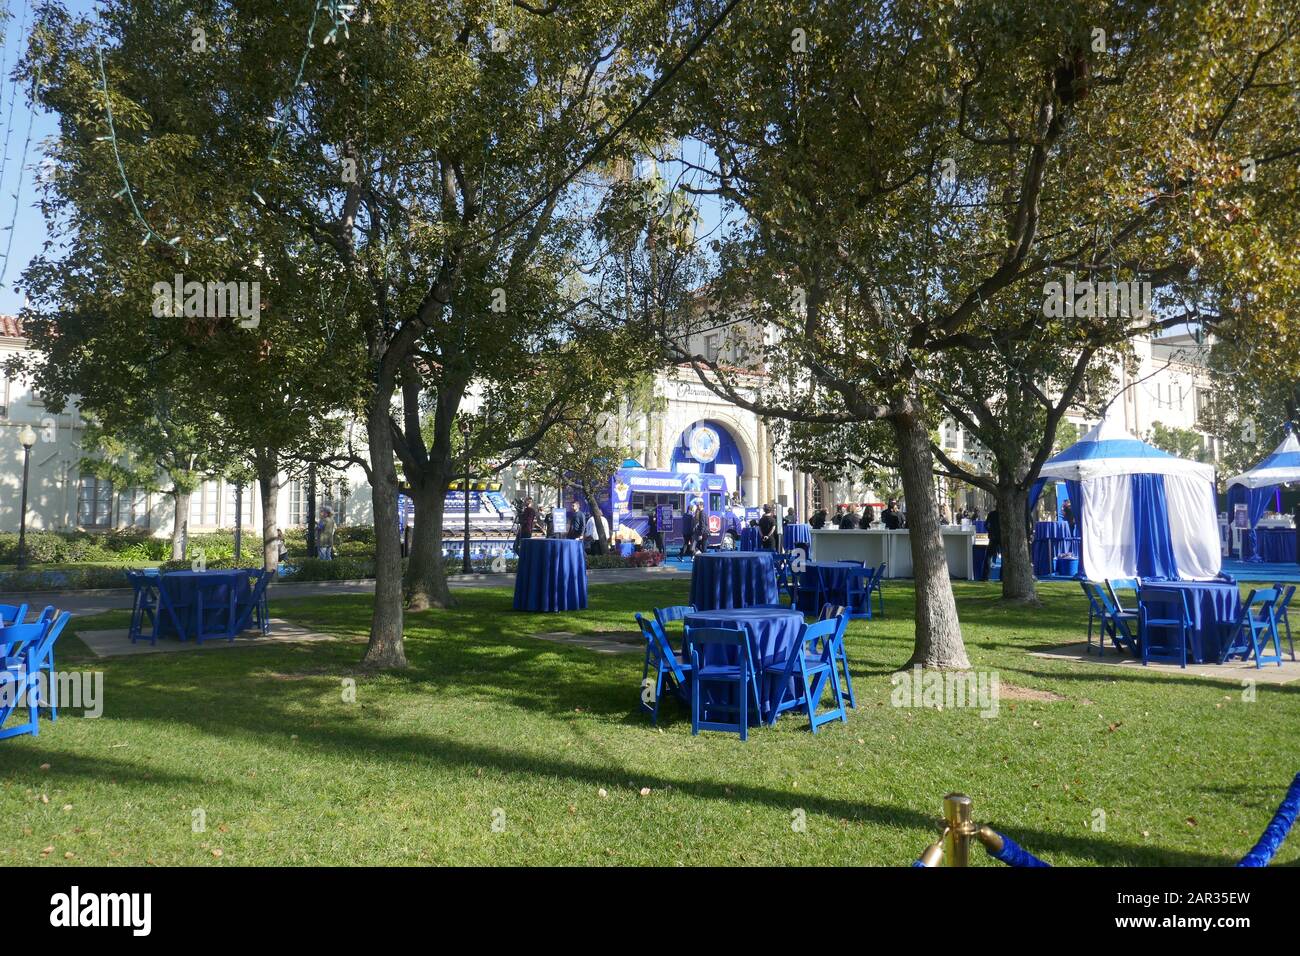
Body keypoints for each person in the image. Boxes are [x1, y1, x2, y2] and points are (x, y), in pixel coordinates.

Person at [983, 506, 1001, 581]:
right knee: (1005, 558)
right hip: (1002, 537)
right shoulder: (1004, 514)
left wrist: (990, 531)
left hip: (993, 537)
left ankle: (985, 576)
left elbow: (986, 525)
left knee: (988, 556)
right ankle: (1003, 577)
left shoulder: (991, 514)